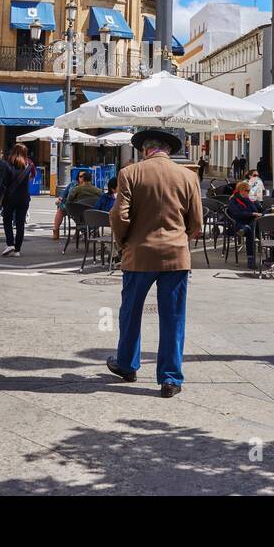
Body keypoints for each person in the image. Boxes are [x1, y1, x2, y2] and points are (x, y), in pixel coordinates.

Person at [106, 128, 203, 398]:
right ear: (169, 150)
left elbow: (119, 216)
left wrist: (123, 242)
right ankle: (170, 378)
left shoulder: (130, 173)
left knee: (131, 312)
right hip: (175, 255)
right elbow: (197, 222)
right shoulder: (188, 176)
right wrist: (180, 239)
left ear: (145, 150)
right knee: (173, 316)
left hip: (139, 253)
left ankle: (126, 364)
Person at [0, 143, 34, 257]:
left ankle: (10, 243)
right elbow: (32, 176)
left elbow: (4, 184)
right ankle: (17, 250)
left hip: (10, 198)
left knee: (7, 221)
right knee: (20, 224)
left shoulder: (8, 165)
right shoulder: (29, 165)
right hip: (24, 198)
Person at [53, 171, 102, 240]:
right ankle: (84, 231)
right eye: (80, 176)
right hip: (92, 214)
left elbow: (69, 201)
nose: (80, 178)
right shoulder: (98, 190)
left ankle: (57, 230)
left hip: (78, 213)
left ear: (83, 179)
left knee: (64, 209)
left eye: (82, 177)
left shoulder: (77, 189)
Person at [225, 180, 260, 269]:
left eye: (249, 191)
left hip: (249, 223)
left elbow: (255, 210)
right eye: (247, 191)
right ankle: (251, 260)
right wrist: (251, 214)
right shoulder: (233, 201)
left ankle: (272, 253)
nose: (248, 192)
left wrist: (249, 201)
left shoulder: (247, 200)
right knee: (250, 231)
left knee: (252, 227)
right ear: (241, 190)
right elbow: (237, 214)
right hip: (238, 224)